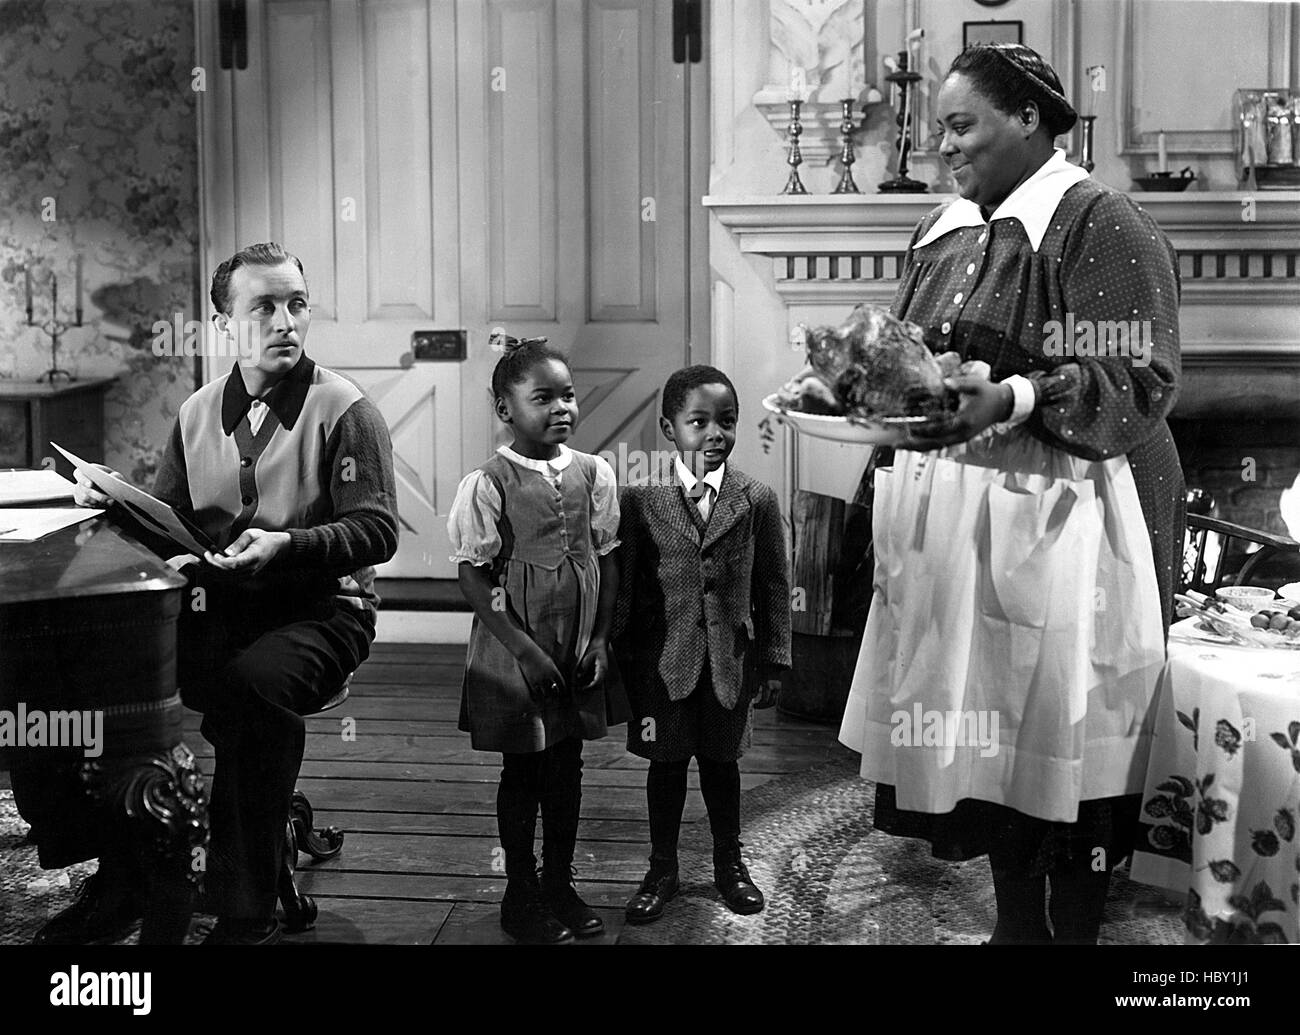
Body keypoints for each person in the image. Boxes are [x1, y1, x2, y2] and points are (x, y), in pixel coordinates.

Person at [837, 44, 1184, 944]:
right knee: (991, 738)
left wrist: (1020, 394)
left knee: (1064, 736)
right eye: (938, 129)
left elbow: (1142, 380)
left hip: (1077, 514)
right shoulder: (943, 229)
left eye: (963, 126)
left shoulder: (1098, 223)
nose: (944, 146)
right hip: (966, 514)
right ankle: (1016, 927)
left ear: (1029, 118)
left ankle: (1071, 930)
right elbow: (912, 368)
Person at [65, 241, 398, 945]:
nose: (285, 321)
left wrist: (290, 546)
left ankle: (245, 905)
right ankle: (123, 876)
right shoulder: (197, 412)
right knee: (98, 672)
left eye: (296, 304)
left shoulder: (345, 409)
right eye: (264, 306)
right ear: (224, 325)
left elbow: (375, 530)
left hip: (323, 611)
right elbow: (170, 523)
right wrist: (116, 506)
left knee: (250, 686)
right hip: (223, 602)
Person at [447, 336, 625, 944]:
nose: (561, 408)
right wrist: (524, 650)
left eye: (568, 396)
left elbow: (606, 561)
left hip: (576, 640)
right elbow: (474, 576)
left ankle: (559, 883)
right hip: (517, 640)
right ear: (506, 409)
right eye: (542, 397)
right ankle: (519, 890)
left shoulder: (593, 473)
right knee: (524, 768)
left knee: (568, 763)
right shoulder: (488, 483)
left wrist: (599, 641)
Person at [614, 366, 792, 924]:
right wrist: (615, 657)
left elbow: (773, 586)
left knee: (723, 765)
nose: (715, 433)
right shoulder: (640, 501)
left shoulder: (756, 499)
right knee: (664, 767)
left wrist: (774, 661)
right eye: (699, 422)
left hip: (729, 666)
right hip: (663, 666)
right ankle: (662, 867)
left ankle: (729, 864)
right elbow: (627, 589)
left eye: (728, 421)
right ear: (670, 429)